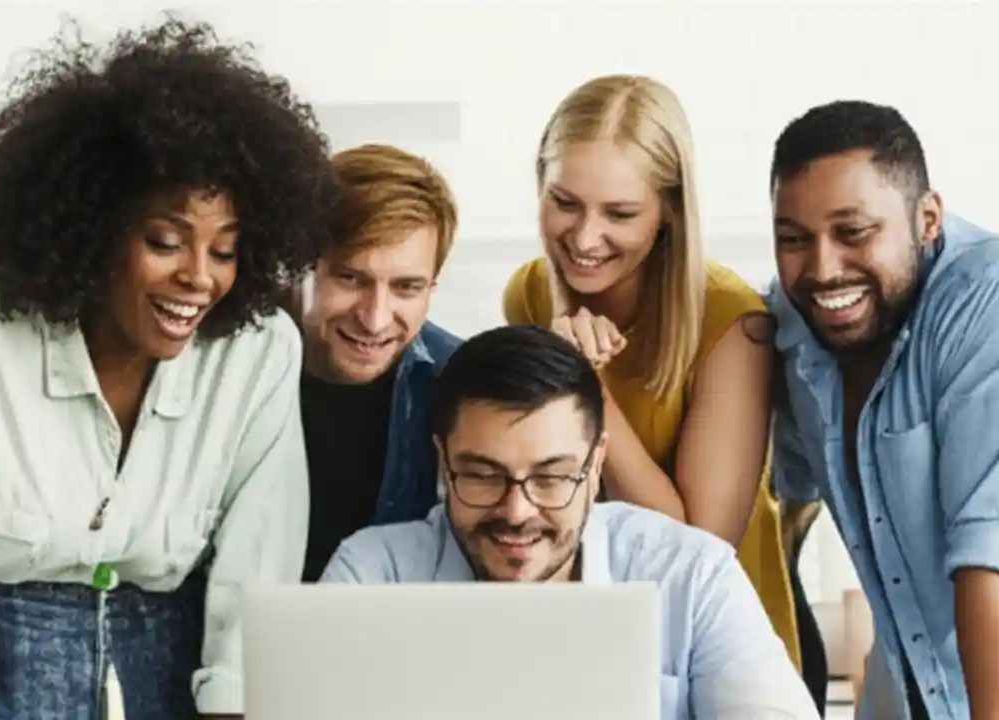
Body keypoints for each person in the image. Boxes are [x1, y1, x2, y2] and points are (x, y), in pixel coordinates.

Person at [0, 18, 338, 720]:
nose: (199, 278)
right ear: (93, 224)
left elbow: (249, 606)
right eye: (166, 241)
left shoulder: (258, 353)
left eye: (226, 251)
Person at [321, 324, 819, 719]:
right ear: (442, 459)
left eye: (553, 477)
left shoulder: (691, 575)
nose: (517, 512)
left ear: (596, 462)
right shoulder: (372, 576)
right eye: (481, 475)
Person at [499, 74, 801, 668]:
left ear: (667, 213)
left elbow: (697, 551)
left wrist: (582, 388)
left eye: (620, 212)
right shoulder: (529, 296)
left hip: (727, 652)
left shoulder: (733, 322)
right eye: (564, 202)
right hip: (605, 641)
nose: (585, 237)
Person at [769, 99, 999, 719]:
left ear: (927, 219)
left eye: (853, 232)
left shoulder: (986, 304)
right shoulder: (791, 321)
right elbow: (785, 491)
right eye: (793, 239)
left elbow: (988, 555)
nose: (822, 268)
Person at [293, 143, 461, 581]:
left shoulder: (459, 382)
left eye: (406, 288)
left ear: (432, 287)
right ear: (301, 264)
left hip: (392, 637)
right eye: (351, 279)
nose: (374, 318)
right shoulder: (235, 363)